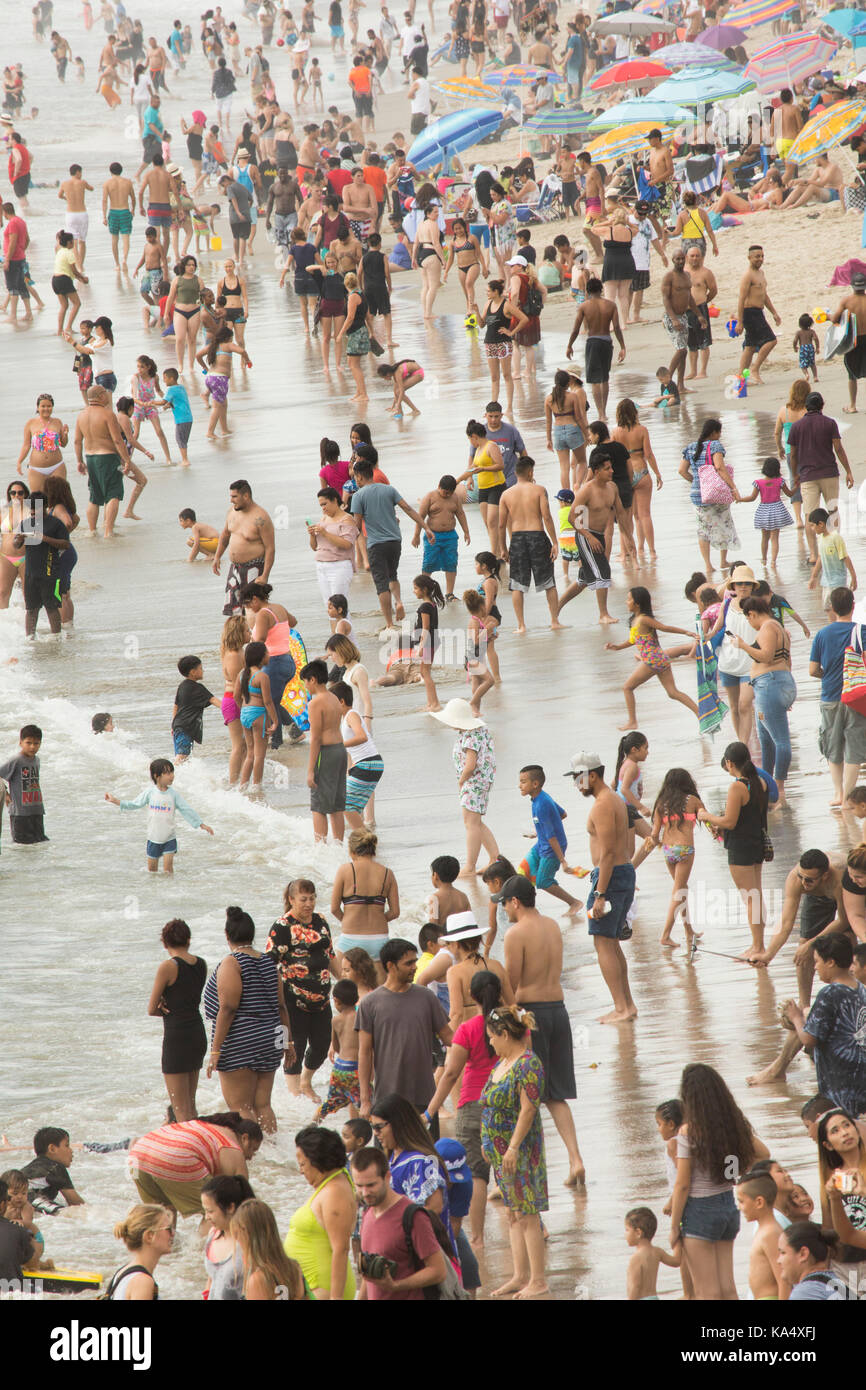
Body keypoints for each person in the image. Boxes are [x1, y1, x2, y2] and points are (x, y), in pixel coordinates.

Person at [499, 875, 586, 1185]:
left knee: (527, 1095)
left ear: (515, 902)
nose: (504, 911)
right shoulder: (552, 925)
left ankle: (517, 1172)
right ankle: (575, 1159)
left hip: (530, 1014)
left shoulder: (515, 933)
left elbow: (511, 983)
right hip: (558, 1011)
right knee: (554, 1094)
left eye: (504, 904)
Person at [668, 1063, 768, 1301]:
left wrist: (673, 1226)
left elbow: (682, 1184)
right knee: (727, 1289)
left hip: (699, 1211)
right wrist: (732, 1174)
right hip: (727, 1207)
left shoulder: (687, 1132)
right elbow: (763, 1153)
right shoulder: (732, 1124)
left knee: (706, 1292)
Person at [480, 1003, 548, 1299]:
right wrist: (489, 1146)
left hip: (519, 1151)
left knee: (528, 1215)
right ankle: (520, 1276)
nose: (490, 1043)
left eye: (492, 1037)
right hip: (500, 1153)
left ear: (505, 1034)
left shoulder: (527, 1064)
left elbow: (528, 1109)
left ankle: (539, 1281)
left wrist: (513, 1147)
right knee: (512, 1213)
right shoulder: (503, 1062)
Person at [203, 907, 291, 1132]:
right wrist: (286, 1044)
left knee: (241, 1107)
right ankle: (273, 1151)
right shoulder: (269, 963)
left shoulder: (232, 963)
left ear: (227, 935)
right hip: (269, 1039)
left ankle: (254, 1157)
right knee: (263, 1105)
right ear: (252, 934)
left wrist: (215, 1051)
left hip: (241, 1041)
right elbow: (281, 1006)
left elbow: (228, 1008)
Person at [565, 750, 637, 1023]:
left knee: (603, 944)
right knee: (611, 943)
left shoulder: (603, 804)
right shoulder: (612, 799)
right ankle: (626, 1005)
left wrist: (599, 893)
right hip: (619, 874)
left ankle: (622, 1007)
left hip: (611, 877)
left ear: (592, 775)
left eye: (578, 778)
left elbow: (607, 853)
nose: (576, 784)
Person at [356, 937, 452, 1125]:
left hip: (425, 1097)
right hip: (386, 1099)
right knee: (389, 1154)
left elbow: (448, 1036)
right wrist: (365, 1100)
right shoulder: (370, 1003)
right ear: (390, 966)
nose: (415, 967)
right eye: (408, 963)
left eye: (415, 962)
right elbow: (364, 1053)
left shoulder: (426, 997)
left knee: (427, 1154)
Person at [266, 878, 335, 1105]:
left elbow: (330, 956)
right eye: (303, 899)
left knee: (323, 1043)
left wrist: (347, 981)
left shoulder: (321, 921)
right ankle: (294, 1095)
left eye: (312, 898)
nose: (309, 903)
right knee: (294, 1044)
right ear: (291, 899)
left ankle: (306, 1081)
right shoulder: (282, 926)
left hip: (322, 998)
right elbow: (269, 964)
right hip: (292, 997)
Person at [697, 741, 769, 956]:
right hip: (757, 844)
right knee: (756, 896)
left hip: (741, 849)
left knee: (750, 899)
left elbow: (729, 822)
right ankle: (759, 944)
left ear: (729, 763)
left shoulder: (737, 786)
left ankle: (757, 946)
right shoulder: (760, 783)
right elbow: (749, 818)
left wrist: (706, 816)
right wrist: (721, 827)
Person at [351, 1146, 450, 1300]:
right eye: (359, 1186)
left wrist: (396, 1285)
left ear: (387, 1177)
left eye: (371, 1185)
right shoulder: (367, 1214)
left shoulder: (413, 1216)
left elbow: (438, 1271)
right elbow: (368, 1278)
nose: (365, 1193)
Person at [783, 935, 866, 1116]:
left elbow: (809, 1039)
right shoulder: (861, 989)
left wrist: (796, 1017)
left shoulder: (829, 993)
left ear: (830, 962)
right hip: (861, 1075)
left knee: (841, 1122)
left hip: (840, 1080)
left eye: (817, 961)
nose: (815, 967)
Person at [349, 457, 434, 633]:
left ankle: (389, 623)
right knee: (392, 575)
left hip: (375, 544)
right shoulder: (389, 489)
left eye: (355, 477)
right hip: (395, 541)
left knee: (381, 584)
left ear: (358, 477)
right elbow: (408, 509)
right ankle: (399, 601)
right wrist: (426, 528)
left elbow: (356, 526)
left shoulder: (357, 496)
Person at [128, 1112, 262, 1221]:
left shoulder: (201, 1125)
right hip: (174, 1155)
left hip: (138, 1155)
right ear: (244, 1138)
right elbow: (243, 1205)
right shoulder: (232, 1146)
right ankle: (202, 1251)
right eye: (253, 1150)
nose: (251, 1157)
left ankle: (173, 1254)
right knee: (216, 1211)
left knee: (161, 1215)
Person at [105, 756, 213, 874]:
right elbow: (134, 804)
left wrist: (201, 824)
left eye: (172, 772)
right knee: (152, 871)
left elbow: (186, 809)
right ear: (157, 776)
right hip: (153, 838)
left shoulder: (174, 795)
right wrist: (116, 801)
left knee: (168, 870)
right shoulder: (150, 793)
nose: (172, 776)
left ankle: (170, 891)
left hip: (169, 838)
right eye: (168, 773)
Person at [284, 1125, 356, 1299]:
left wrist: (336, 1297)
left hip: (322, 1287)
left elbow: (341, 1248)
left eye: (303, 1164)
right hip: (313, 1284)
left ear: (318, 1160)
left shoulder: (335, 1193)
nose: (300, 1170)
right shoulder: (332, 1182)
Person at [146, 918, 207, 1123]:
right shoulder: (201, 964)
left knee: (180, 1110)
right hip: (197, 1033)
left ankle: (188, 1153)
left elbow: (151, 1009)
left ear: (164, 943)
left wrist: (164, 1007)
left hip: (177, 1037)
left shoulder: (167, 967)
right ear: (189, 940)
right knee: (191, 1105)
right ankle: (199, 1148)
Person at [431, 699, 499, 878]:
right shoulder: (480, 730)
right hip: (483, 780)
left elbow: (470, 764)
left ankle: (469, 866)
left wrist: (462, 780)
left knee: (470, 824)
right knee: (475, 823)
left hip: (473, 781)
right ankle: (494, 858)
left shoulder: (469, 736)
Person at [789, 392, 854, 566]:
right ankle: (834, 550)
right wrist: (848, 471)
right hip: (829, 473)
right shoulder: (830, 423)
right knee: (833, 510)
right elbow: (838, 449)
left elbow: (793, 454)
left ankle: (813, 555)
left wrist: (795, 474)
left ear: (806, 406)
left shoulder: (797, 426)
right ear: (822, 406)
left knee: (810, 515)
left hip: (808, 476)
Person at [499, 458, 562, 635]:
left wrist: (503, 548)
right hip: (537, 537)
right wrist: (555, 542)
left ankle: (521, 626)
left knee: (517, 584)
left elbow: (501, 525)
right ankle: (555, 622)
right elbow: (547, 517)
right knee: (548, 581)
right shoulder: (539, 490)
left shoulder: (506, 494)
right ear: (530, 472)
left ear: (515, 473)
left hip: (517, 539)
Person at [331, 828, 399, 975]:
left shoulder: (344, 870)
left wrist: (348, 919)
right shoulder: (388, 873)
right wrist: (380, 918)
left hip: (350, 937)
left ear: (351, 850)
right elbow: (395, 912)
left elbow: (334, 908)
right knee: (380, 994)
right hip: (379, 939)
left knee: (346, 992)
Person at [73, 383, 132, 539]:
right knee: (113, 494)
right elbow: (118, 440)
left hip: (90, 458)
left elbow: (77, 441)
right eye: (105, 393)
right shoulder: (107, 414)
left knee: (94, 496)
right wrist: (126, 460)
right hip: (108, 457)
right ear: (100, 396)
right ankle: (108, 531)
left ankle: (92, 531)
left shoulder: (82, 415)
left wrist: (79, 461)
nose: (107, 395)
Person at [565, 277, 625, 423]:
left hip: (592, 342)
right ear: (601, 289)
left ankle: (601, 414)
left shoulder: (584, 306)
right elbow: (616, 327)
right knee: (604, 378)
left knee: (594, 381)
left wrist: (569, 345)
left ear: (588, 291)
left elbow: (576, 328)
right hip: (606, 341)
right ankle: (604, 411)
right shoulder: (611, 305)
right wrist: (623, 346)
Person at [213, 480, 275, 616]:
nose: (231, 500)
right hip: (235, 568)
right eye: (230, 496)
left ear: (246, 496)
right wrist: (217, 556)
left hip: (254, 568)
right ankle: (239, 637)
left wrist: (265, 575)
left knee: (252, 610)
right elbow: (225, 535)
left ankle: (257, 637)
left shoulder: (261, 518)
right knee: (233, 610)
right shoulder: (231, 512)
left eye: (234, 497)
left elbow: (270, 548)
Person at [302, 659, 347, 842]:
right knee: (336, 806)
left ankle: (320, 848)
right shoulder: (334, 697)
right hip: (340, 750)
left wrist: (310, 770)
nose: (305, 686)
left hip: (326, 753)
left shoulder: (315, 702)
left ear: (312, 679)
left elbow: (316, 738)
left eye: (305, 682)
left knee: (319, 806)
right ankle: (338, 846)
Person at [232, 1199, 307, 1300]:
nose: (237, 1241)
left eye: (237, 1234)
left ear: (247, 1234)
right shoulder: (294, 1268)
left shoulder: (257, 1280)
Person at [735, 1172, 790, 1300]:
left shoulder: (770, 1234)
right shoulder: (763, 1230)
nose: (739, 1207)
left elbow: (784, 1279)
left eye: (742, 1202)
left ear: (759, 1202)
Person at [201, 1174, 254, 1300]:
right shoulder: (213, 1235)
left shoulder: (248, 1242)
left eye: (210, 1211)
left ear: (230, 1207)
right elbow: (211, 1278)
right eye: (205, 1211)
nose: (206, 1217)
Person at [106, 1205, 174, 1300]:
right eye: (168, 1229)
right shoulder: (143, 1282)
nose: (173, 1234)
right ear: (149, 1236)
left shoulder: (123, 1272)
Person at [737, 245, 781, 385]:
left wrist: (774, 312)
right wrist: (739, 321)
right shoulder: (747, 275)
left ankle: (741, 378)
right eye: (757, 256)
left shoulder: (761, 273)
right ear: (749, 257)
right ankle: (755, 369)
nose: (760, 259)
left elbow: (764, 295)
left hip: (758, 312)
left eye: (762, 256)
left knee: (750, 346)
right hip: (749, 313)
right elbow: (741, 299)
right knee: (771, 340)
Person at [0, 724, 47, 844]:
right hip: (20, 812)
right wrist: (5, 793)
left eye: (36, 743)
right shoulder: (16, 760)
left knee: (39, 843)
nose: (32, 747)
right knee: (22, 845)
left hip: (36, 809)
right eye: (28, 742)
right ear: (20, 743)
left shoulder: (37, 760)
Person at [779, 1222, 850, 1301]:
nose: (778, 1261)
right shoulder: (837, 1282)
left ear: (803, 1254)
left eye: (783, 1253)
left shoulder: (806, 1293)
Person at [624, 1206, 680, 1300]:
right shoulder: (657, 1252)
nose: (625, 1234)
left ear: (638, 1232)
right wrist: (678, 1241)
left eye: (627, 1230)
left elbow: (635, 1286)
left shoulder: (635, 1258)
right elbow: (676, 1261)